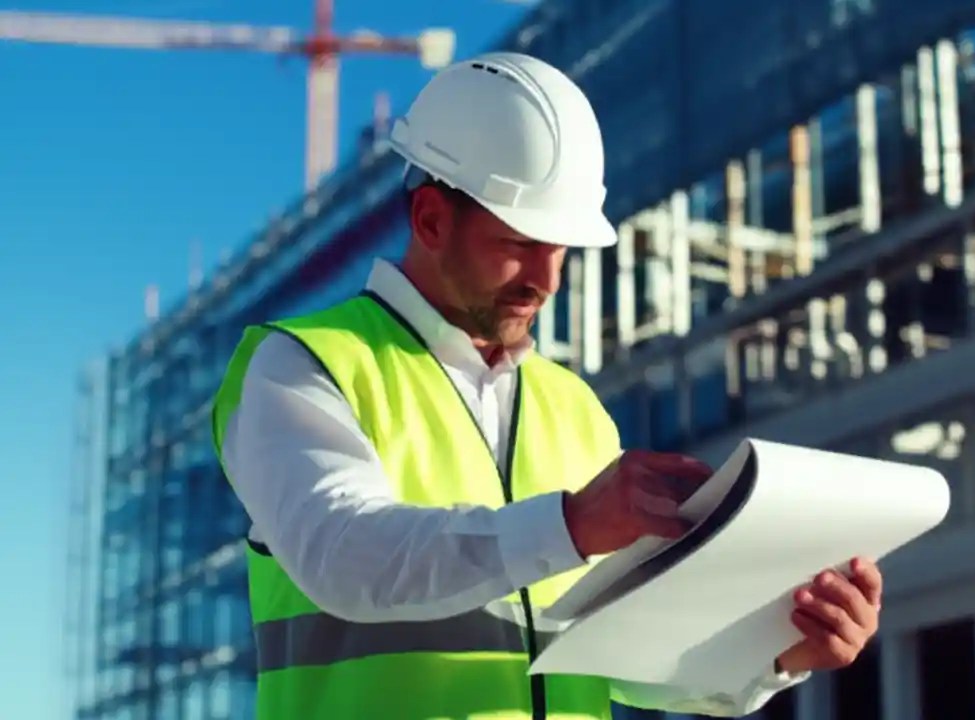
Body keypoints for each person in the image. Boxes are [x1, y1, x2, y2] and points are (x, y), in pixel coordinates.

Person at [210, 51, 883, 720]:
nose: (548, 278)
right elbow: (343, 557)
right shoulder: (300, 364)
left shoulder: (574, 408)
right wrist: (571, 522)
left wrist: (777, 650)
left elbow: (620, 667)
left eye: (559, 247)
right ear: (431, 221)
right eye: (519, 242)